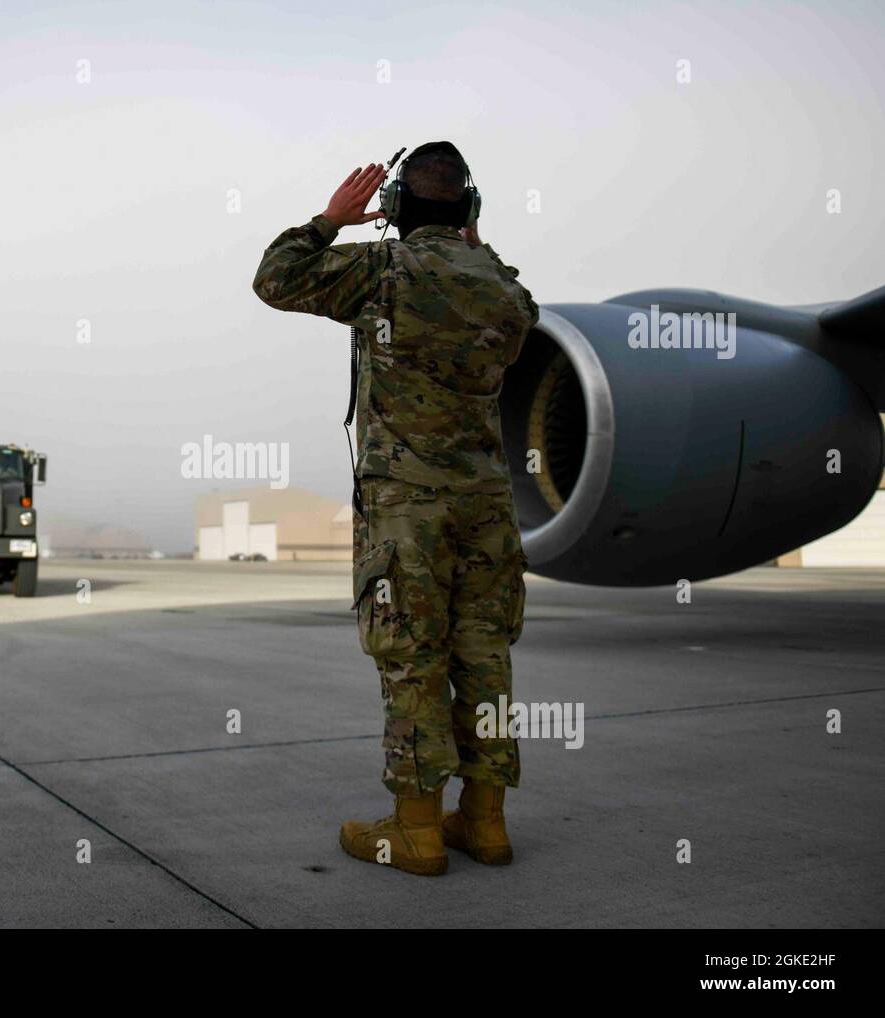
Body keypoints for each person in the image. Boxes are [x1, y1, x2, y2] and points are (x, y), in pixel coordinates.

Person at [252, 142, 539, 876]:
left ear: (397, 208)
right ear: (470, 210)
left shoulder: (382, 271)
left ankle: (415, 829)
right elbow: (524, 310)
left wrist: (330, 220)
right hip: (486, 505)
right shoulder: (503, 292)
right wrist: (479, 246)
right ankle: (485, 822)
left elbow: (276, 280)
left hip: (408, 508)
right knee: (486, 659)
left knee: (413, 660)